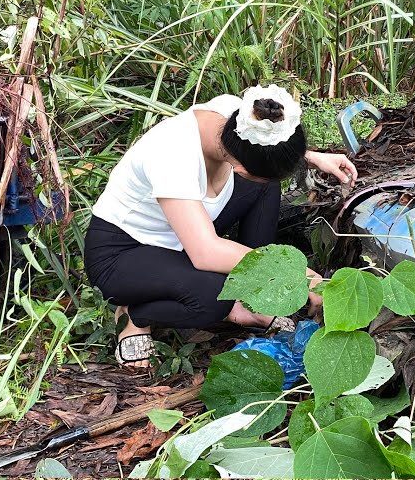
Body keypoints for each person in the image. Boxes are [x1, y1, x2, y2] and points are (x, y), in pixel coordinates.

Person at [85, 85, 357, 367]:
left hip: (187, 231)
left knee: (265, 186)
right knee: (213, 299)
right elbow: (206, 252)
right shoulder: (172, 153)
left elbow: (265, 142)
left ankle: (254, 298)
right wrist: (292, 273)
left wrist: (312, 157)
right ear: (239, 167)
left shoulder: (239, 118)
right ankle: (135, 313)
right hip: (126, 254)